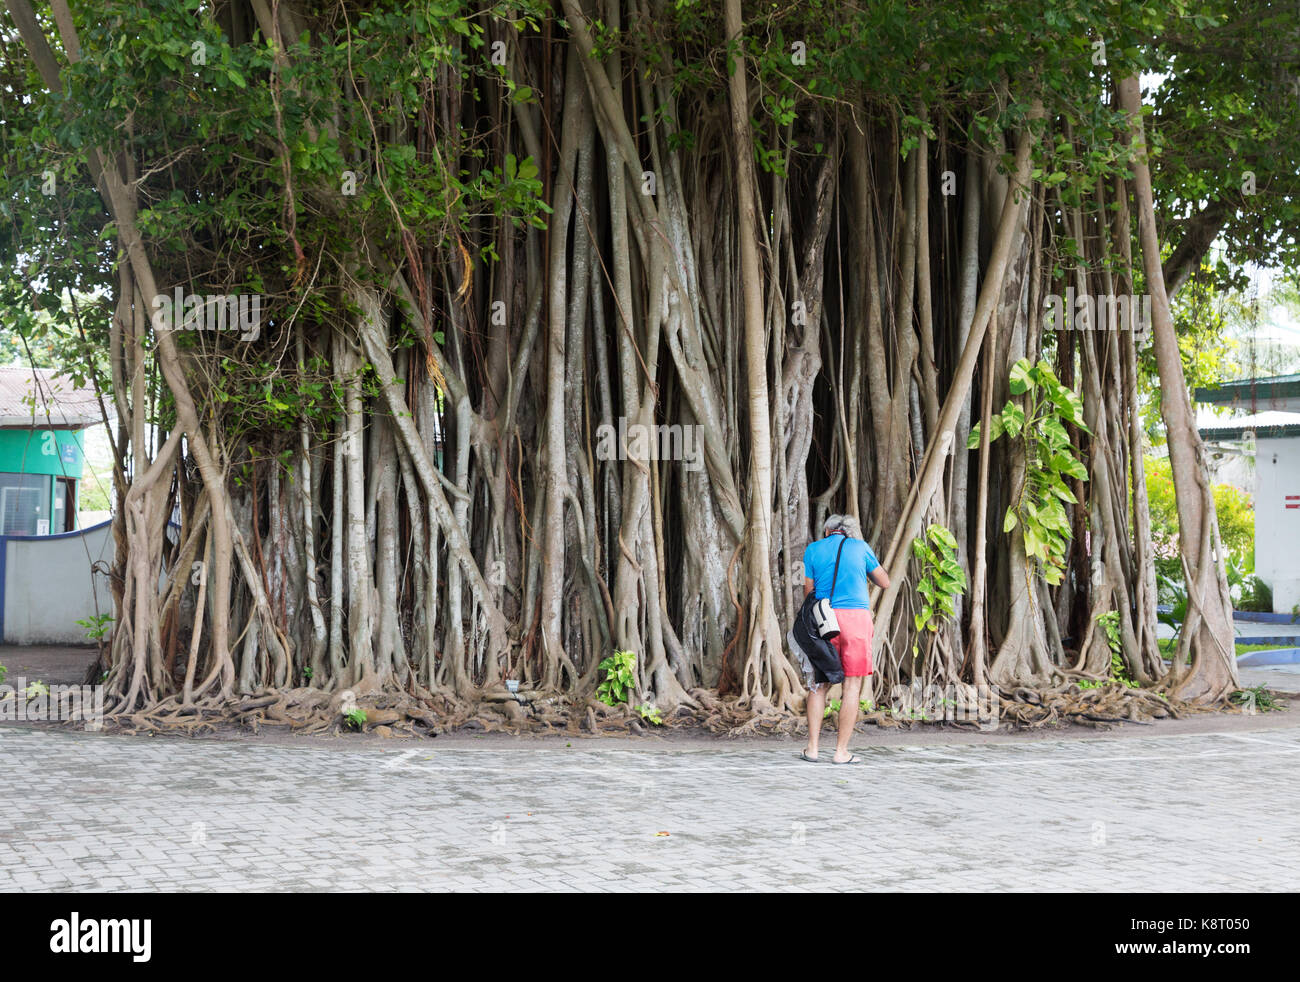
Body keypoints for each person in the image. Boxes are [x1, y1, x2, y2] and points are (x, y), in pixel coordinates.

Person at [799, 514, 889, 764]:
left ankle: (813, 749)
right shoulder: (860, 547)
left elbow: (809, 591)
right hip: (856, 621)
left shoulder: (813, 549)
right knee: (851, 686)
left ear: (827, 531)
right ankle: (841, 753)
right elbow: (885, 581)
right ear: (846, 531)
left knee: (819, 685)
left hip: (824, 620)